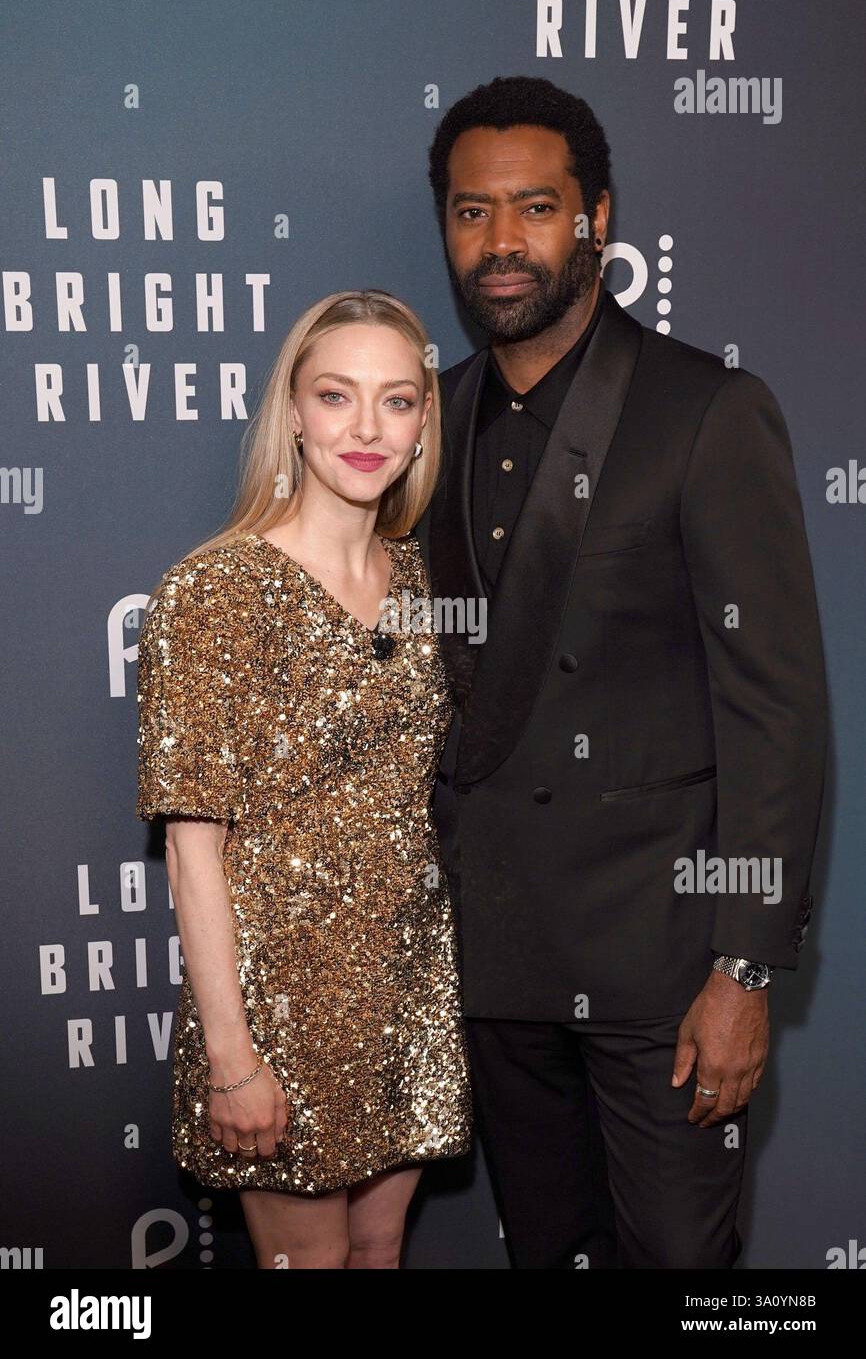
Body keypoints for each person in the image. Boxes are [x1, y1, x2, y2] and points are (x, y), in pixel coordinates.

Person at [414, 75, 829, 1269]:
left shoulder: (705, 411)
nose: (500, 242)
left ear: (596, 216)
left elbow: (776, 711)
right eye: (469, 213)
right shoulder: (425, 423)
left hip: (663, 971)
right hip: (495, 961)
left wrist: (741, 968)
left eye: (534, 208)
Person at [136, 290, 472, 1269]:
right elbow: (192, 845)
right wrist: (233, 1059)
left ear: (421, 423)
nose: (366, 428)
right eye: (336, 396)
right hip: (277, 1007)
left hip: (406, 990)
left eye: (396, 401)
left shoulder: (422, 582)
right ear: (292, 411)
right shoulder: (213, 588)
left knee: (379, 1248)